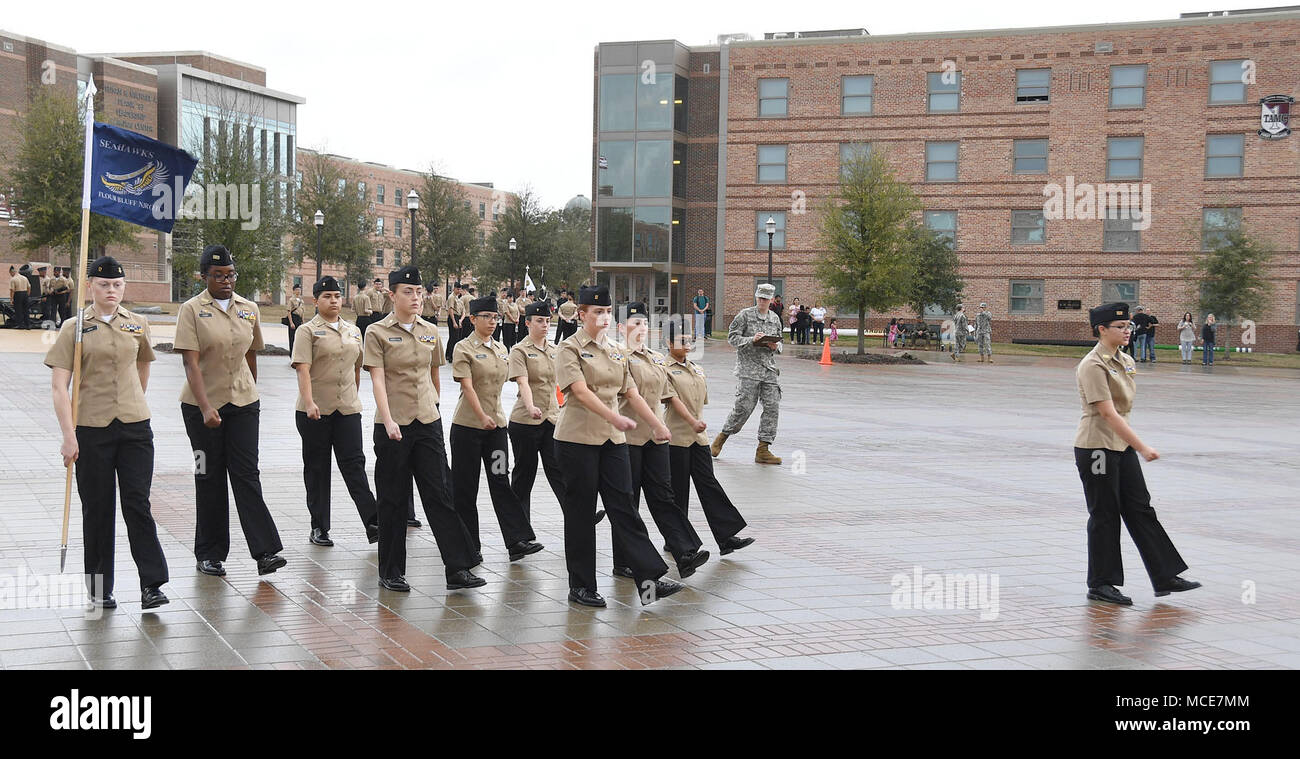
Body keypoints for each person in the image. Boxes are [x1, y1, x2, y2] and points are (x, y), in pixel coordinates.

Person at [45, 255, 169, 610]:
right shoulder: (74, 328)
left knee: (137, 504)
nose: (111, 290)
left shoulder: (138, 324)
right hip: (91, 430)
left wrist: (133, 401)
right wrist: (69, 436)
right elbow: (59, 386)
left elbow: (144, 364)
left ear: (123, 287)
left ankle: (152, 584)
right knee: (98, 509)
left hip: (134, 428)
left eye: (117, 285)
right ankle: (100, 588)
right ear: (90, 287)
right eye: (103, 285)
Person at [553, 284, 685, 608]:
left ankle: (649, 578)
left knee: (624, 507)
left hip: (613, 441)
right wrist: (615, 418)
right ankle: (581, 586)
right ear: (582, 314)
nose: (604, 317)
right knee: (581, 513)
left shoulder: (616, 350)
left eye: (608, 311)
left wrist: (657, 424)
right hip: (577, 440)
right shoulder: (569, 349)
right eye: (597, 312)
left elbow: (632, 393)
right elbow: (580, 393)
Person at [363, 265, 485, 592]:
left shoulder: (430, 331)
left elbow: (434, 375)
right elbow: (377, 380)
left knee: (441, 495)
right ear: (392, 295)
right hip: (394, 425)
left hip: (427, 423)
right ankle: (390, 571)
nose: (416, 297)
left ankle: (457, 568)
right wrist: (387, 419)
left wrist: (435, 409)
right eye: (408, 292)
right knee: (393, 500)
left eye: (419, 292)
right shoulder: (376, 332)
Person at [1075, 302, 1200, 605]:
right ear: (1101, 330)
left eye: (1128, 326)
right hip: (1097, 449)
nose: (1127, 331)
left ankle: (1165, 574)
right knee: (1105, 514)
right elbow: (1108, 413)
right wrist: (1142, 447)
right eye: (1119, 327)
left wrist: (1133, 446)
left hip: (1120, 444)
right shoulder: (1093, 365)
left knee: (1140, 508)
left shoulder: (1125, 361)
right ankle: (1101, 583)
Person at [175, 245, 287, 578]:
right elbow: (189, 362)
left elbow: (252, 355)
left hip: (242, 405)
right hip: (200, 408)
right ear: (204, 276)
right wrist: (206, 406)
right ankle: (209, 554)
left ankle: (265, 552)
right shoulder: (191, 310)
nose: (226, 281)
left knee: (246, 474)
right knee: (208, 476)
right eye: (218, 275)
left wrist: (251, 392)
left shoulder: (249, 309)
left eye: (230, 275)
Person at [611, 303, 711, 580]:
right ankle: (623, 561)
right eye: (634, 324)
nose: (641, 329)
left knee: (664, 496)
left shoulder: (655, 359)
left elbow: (665, 394)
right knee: (628, 500)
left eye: (644, 324)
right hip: (629, 438)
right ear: (621, 328)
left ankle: (685, 552)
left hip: (656, 439)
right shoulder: (618, 357)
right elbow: (632, 396)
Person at [449, 294, 543, 561]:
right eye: (486, 317)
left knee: (500, 480)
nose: (492, 322)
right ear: (472, 319)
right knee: (465, 489)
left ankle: (517, 540)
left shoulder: (502, 349)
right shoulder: (463, 348)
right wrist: (481, 416)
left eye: (495, 317)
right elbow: (466, 387)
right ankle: (469, 547)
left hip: (496, 430)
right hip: (468, 427)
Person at [291, 276, 380, 548]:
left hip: (347, 409)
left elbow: (357, 368)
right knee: (317, 469)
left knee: (355, 466)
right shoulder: (307, 331)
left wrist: (353, 395)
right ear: (316, 300)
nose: (333, 301)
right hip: (315, 410)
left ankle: (374, 523)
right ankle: (319, 526)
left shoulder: (353, 330)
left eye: (337, 296)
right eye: (327, 296)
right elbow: (303, 369)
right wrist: (309, 402)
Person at [662, 322, 755, 557]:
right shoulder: (663, 368)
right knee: (678, 490)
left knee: (709, 484)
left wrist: (697, 425)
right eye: (682, 340)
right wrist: (692, 422)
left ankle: (726, 536)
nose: (687, 344)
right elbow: (672, 400)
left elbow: (700, 402)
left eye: (689, 339)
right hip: (677, 437)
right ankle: (677, 541)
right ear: (668, 343)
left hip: (698, 438)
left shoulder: (696, 368)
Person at [507, 300, 571, 521]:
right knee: (524, 476)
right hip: (525, 422)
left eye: (547, 321)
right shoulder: (519, 350)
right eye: (539, 321)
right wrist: (530, 405)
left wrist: (565, 406)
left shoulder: (555, 350)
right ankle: (519, 528)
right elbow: (523, 382)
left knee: (560, 472)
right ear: (528, 323)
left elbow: (562, 383)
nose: (545, 325)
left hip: (551, 421)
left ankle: (578, 516)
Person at [712, 283, 784, 465]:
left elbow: (780, 344)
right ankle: (722, 437)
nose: (762, 301)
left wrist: (775, 346)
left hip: (768, 370)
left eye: (766, 299)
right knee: (743, 408)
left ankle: (763, 448)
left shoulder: (774, 319)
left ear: (771, 300)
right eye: (760, 298)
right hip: (748, 369)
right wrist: (752, 340)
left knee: (772, 408)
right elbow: (732, 338)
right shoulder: (744, 315)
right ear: (756, 297)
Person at [284, 284, 307, 357]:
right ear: (293, 291)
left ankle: (298, 354)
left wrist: (303, 322)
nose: (298, 291)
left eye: (299, 290)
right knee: (292, 338)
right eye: (297, 290)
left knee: (299, 338)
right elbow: (289, 312)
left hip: (299, 319)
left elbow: (302, 312)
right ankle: (292, 355)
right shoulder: (291, 300)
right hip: (293, 318)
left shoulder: (301, 301)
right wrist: (291, 323)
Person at [445, 282, 466, 358]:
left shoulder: (459, 298)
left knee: (457, 337)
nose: (459, 290)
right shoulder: (452, 297)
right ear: (454, 288)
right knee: (453, 337)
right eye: (458, 289)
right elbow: (450, 310)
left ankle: (449, 354)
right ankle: (450, 355)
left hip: (459, 318)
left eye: (460, 289)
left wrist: (460, 320)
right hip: (453, 317)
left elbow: (463, 311)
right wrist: (454, 322)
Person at [8, 264, 30, 329]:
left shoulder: (13, 279)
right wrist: (27, 294)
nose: (10, 275)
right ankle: (28, 325)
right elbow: (29, 287)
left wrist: (11, 299)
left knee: (18, 310)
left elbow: (12, 290)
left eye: (10, 273)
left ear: (12, 272)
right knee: (26, 310)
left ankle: (20, 325)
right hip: (25, 293)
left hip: (18, 294)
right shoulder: (24, 278)